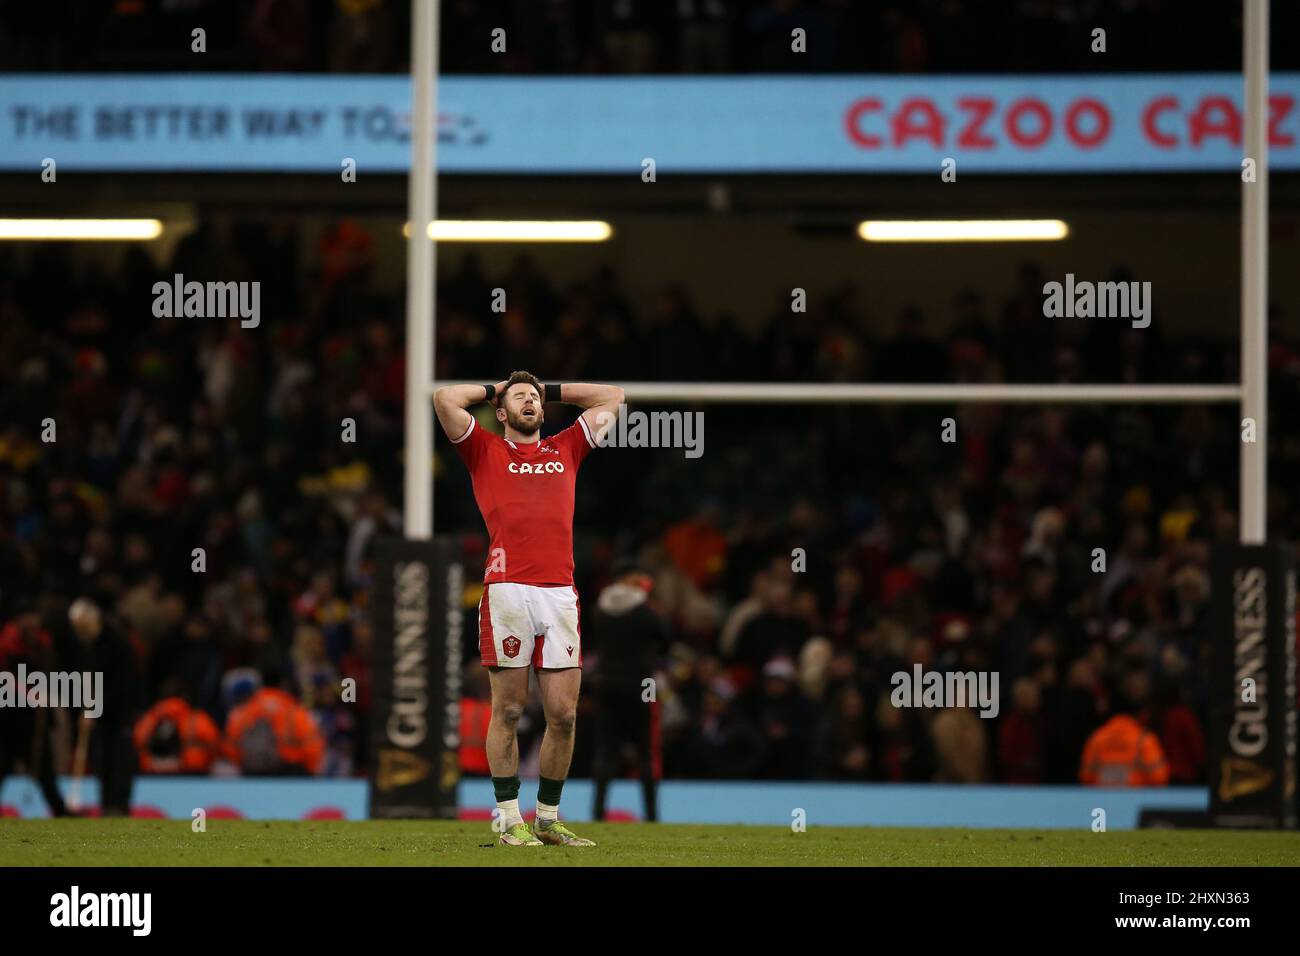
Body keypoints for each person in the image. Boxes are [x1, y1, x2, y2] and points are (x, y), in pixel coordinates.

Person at [435, 371, 623, 847]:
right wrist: (498, 386)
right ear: (501, 413)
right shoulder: (484, 450)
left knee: (564, 714)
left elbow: (612, 396)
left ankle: (547, 818)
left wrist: (546, 388)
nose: (529, 402)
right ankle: (506, 818)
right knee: (511, 708)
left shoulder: (566, 448)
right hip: (507, 590)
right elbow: (444, 398)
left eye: (534, 399)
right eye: (519, 397)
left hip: (560, 592)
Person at [588, 558, 669, 821]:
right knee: (646, 750)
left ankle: (597, 812)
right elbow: (665, 640)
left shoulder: (599, 609)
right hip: (640, 685)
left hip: (607, 683)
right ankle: (652, 815)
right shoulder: (646, 613)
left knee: (606, 750)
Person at [1079, 672, 1170, 787]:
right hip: (1138, 801)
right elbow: (1160, 777)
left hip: (1103, 801)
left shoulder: (1096, 738)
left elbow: (1086, 776)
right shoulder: (1144, 740)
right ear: (1134, 713)